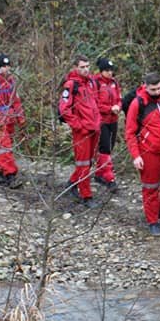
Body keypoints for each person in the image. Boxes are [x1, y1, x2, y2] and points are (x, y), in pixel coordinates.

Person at [125, 72, 160, 235]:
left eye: (159, 88)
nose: (157, 92)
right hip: (149, 151)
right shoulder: (138, 103)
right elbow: (130, 132)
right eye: (153, 89)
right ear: (146, 87)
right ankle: (152, 221)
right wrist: (136, 155)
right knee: (151, 187)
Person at [58, 55, 101, 208]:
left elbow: (95, 104)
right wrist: (78, 126)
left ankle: (72, 183)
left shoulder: (91, 82)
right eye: (82, 67)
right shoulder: (71, 85)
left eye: (87, 66)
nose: (86, 69)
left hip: (94, 128)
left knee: (88, 162)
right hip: (82, 131)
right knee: (83, 163)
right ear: (75, 68)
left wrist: (98, 122)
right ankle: (86, 196)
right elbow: (64, 109)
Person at [0, 53, 26, 188]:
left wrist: (20, 118)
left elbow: (16, 101)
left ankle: (0, 173)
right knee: (4, 149)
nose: (6, 69)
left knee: (3, 150)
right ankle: (10, 175)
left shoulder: (11, 82)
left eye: (8, 66)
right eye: (4, 66)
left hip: (9, 120)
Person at [93, 57, 122, 191]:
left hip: (113, 120)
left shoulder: (114, 83)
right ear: (101, 71)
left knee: (109, 148)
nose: (110, 73)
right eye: (107, 70)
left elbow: (119, 99)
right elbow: (95, 104)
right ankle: (110, 178)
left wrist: (118, 107)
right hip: (102, 121)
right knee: (104, 148)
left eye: (111, 70)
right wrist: (109, 109)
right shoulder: (96, 83)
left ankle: (99, 174)